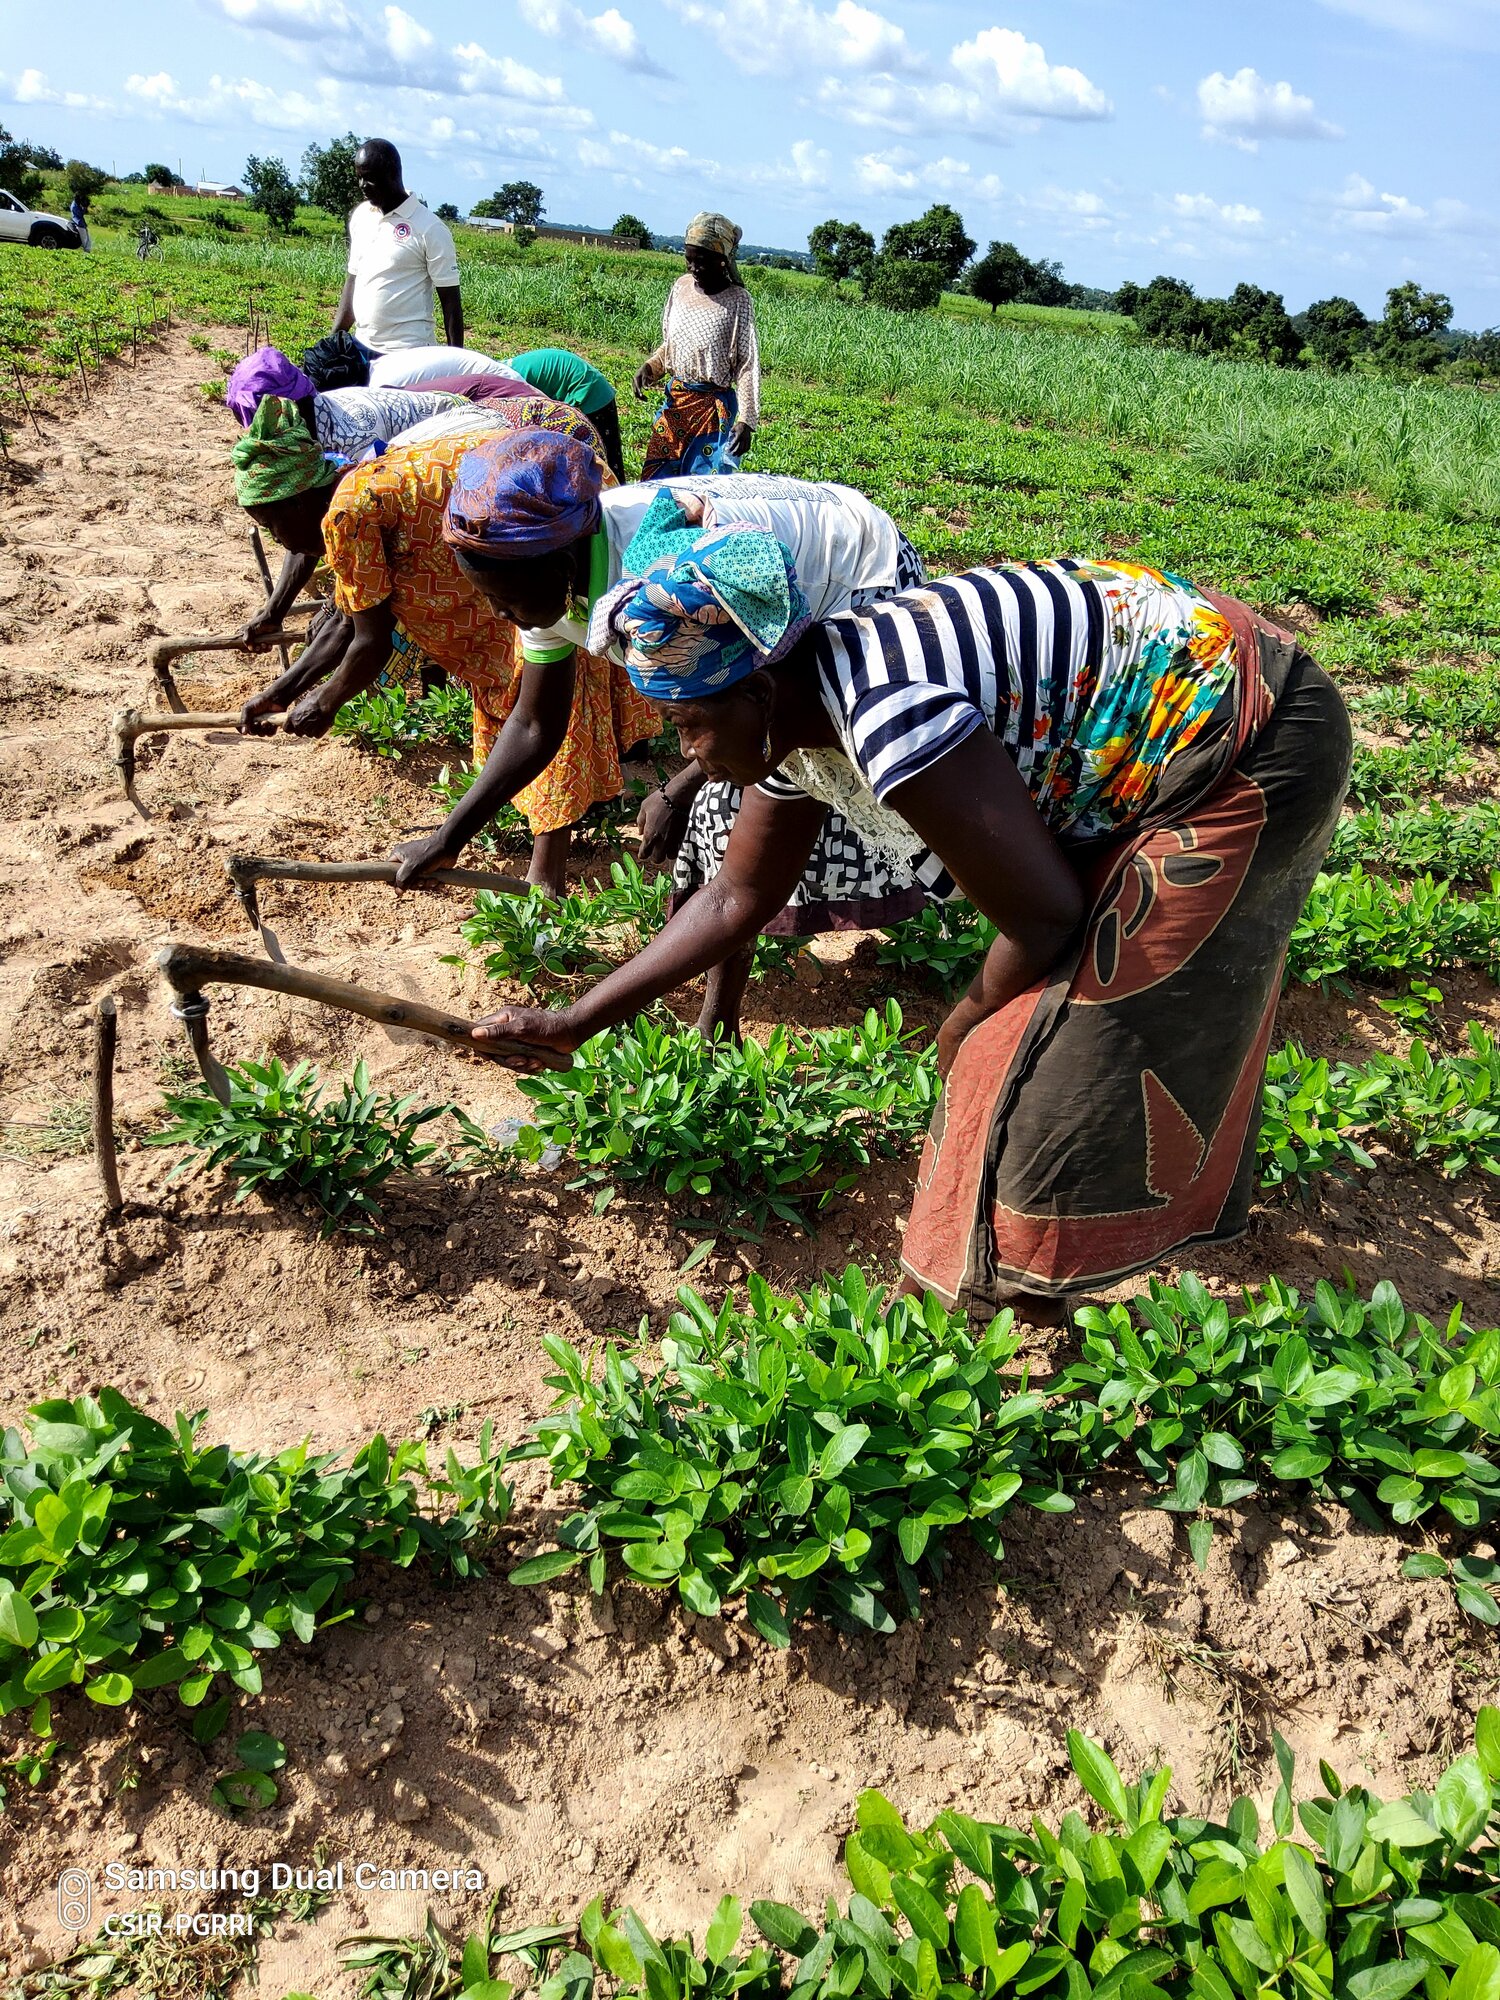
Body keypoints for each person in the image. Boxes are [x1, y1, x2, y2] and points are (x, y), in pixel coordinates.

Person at [476, 540, 1353, 1316]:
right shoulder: (793, 713)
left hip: (1248, 729)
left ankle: (1025, 1292)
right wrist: (577, 1020)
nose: (689, 756)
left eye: (691, 725)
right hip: (1136, 738)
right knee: (1018, 1032)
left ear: (761, 692)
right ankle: (1006, 1274)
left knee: (1062, 1039)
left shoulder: (889, 711)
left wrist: (964, 1020)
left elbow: (1044, 919)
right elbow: (735, 896)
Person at [436, 447, 935, 1036]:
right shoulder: (538, 565)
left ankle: (717, 1019)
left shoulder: (675, 576)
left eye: (507, 600)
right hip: (742, 643)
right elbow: (535, 724)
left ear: (561, 566)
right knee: (731, 813)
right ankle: (718, 1016)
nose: (500, 615)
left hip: (845, 573)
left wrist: (680, 788)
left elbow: (748, 709)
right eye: (489, 599)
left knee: (763, 797)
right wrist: (449, 838)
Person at [230, 401, 656, 898]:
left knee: (557, 680)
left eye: (273, 525)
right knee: (523, 676)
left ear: (298, 502)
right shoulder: (356, 492)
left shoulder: (348, 512)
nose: (280, 540)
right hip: (524, 518)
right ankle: (527, 821)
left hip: (542, 514)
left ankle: (549, 868)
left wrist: (324, 703)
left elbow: (369, 641)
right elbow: (349, 619)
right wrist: (282, 692)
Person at [224, 346, 469, 647]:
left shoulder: (353, 439)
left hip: (465, 449)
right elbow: (307, 525)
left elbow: (358, 530)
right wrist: (275, 611)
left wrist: (337, 606)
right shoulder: (305, 439)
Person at [634, 213, 758, 478]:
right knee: (656, 483)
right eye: (688, 259)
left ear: (723, 260)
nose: (693, 268)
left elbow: (747, 365)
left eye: (701, 261)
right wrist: (651, 366)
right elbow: (670, 345)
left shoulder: (738, 300)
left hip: (712, 412)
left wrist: (746, 420)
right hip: (676, 404)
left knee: (701, 492)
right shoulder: (681, 287)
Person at [335, 139, 462, 355]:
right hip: (361, 347)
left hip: (407, 353)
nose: (362, 186)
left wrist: (457, 361)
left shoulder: (430, 228)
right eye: (360, 178)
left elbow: (450, 302)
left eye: (370, 179)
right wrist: (334, 341)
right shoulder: (361, 216)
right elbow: (353, 280)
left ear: (393, 173)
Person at [506, 349, 625, 481]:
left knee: (597, 464)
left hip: (588, 390)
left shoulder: (505, 385)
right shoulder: (499, 372)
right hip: (581, 381)